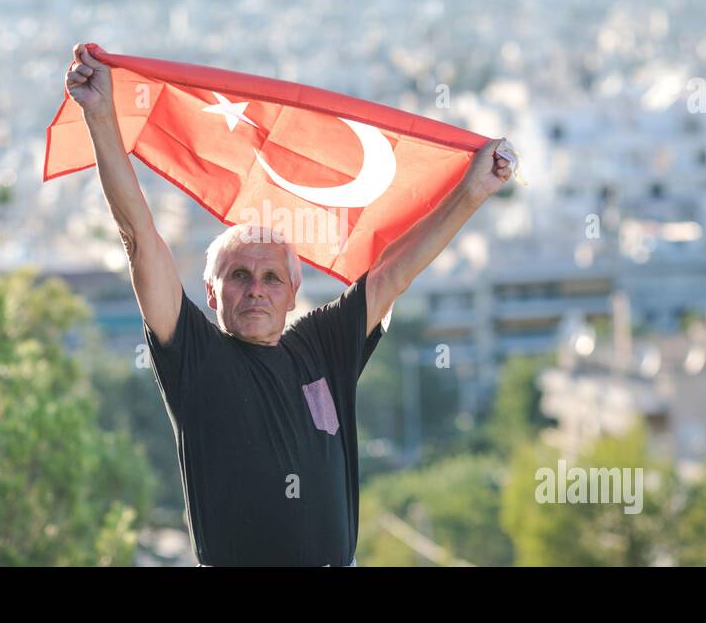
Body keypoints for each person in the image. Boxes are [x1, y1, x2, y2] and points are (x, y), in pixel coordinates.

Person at [65, 43, 515, 566]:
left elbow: (393, 271)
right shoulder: (193, 354)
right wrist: (100, 115)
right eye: (239, 276)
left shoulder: (322, 346)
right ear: (211, 292)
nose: (256, 289)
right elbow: (139, 238)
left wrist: (473, 192)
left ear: (293, 294)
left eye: (272, 278)